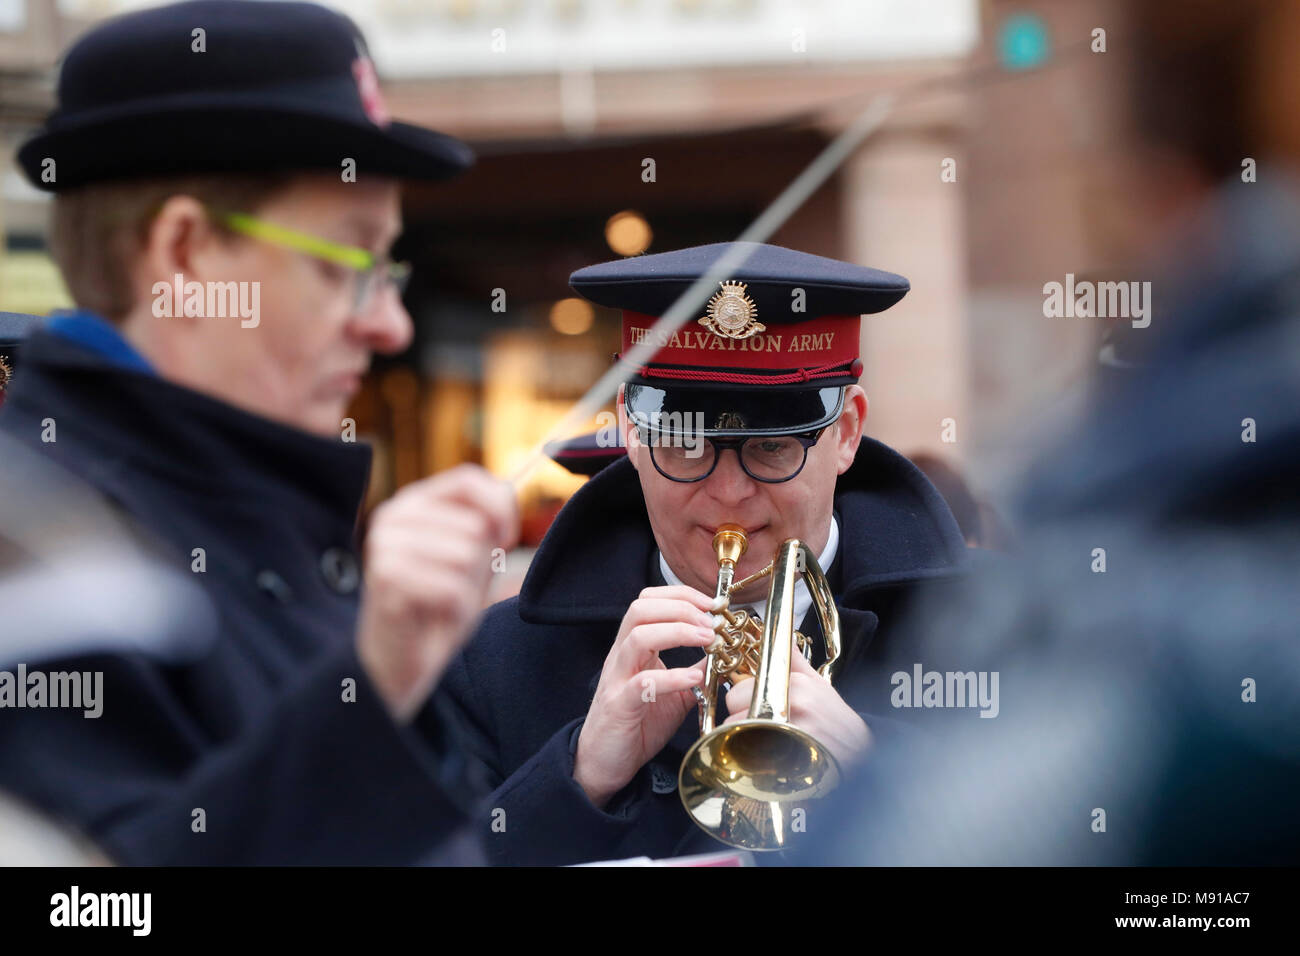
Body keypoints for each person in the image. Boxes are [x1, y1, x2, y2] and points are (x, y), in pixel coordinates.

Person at [0, 0, 517, 865]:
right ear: (187, 255)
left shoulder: (238, 504)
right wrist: (374, 682)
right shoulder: (34, 540)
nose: (390, 324)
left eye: (388, 269)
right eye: (345, 263)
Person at [441, 241, 968, 864]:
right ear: (631, 432)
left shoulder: (998, 624)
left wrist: (877, 770)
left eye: (772, 447)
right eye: (686, 445)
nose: (728, 492)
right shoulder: (495, 663)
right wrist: (575, 780)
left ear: (847, 431)